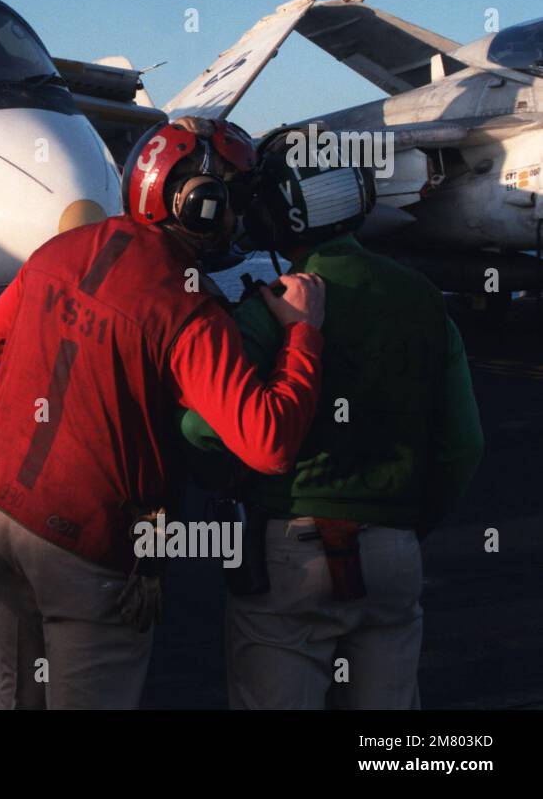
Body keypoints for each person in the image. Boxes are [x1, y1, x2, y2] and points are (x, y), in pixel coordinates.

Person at [0, 119, 328, 709]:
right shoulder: (187, 308)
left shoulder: (56, 251)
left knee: (10, 693)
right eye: (231, 200)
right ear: (200, 206)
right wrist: (303, 334)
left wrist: (10, 450)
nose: (238, 218)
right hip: (84, 546)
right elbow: (268, 442)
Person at [179, 128, 483, 709]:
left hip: (289, 555)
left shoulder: (268, 306)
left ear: (271, 219)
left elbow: (202, 429)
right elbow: (462, 448)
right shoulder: (422, 298)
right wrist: (402, 526)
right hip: (394, 558)